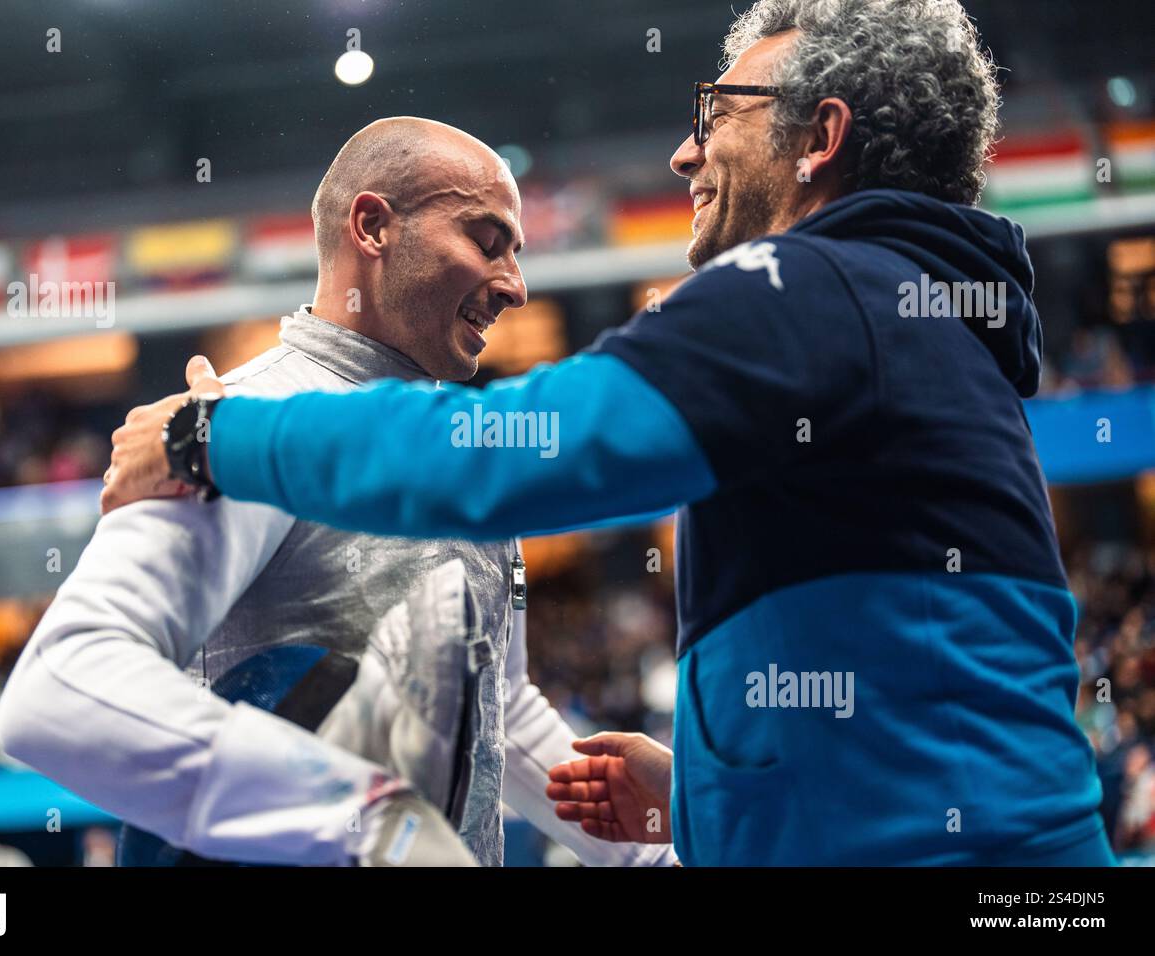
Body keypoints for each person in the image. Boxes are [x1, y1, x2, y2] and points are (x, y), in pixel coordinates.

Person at [101, 0, 1115, 866]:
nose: (685, 149)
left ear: (818, 137)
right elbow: (917, 695)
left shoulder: (817, 287)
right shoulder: (919, 319)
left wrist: (217, 437)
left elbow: (511, 451)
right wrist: (703, 795)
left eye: (717, 113)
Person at [0, 116, 675, 868]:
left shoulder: (465, 447)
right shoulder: (222, 427)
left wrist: (653, 853)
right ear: (374, 226)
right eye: (487, 242)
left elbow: (498, 711)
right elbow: (57, 689)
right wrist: (366, 821)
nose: (516, 286)